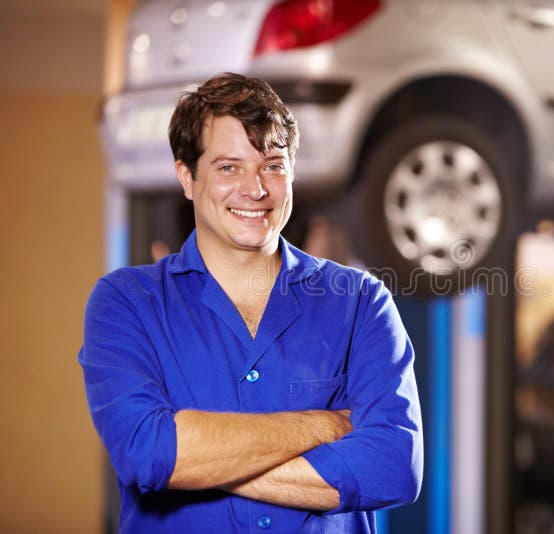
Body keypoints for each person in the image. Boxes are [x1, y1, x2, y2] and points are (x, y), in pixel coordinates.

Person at [79, 72, 423, 533]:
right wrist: (326, 426)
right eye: (228, 166)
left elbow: (393, 467)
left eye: (273, 165)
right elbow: (150, 453)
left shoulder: (360, 302)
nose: (255, 188)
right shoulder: (127, 303)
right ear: (187, 176)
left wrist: (202, 463)